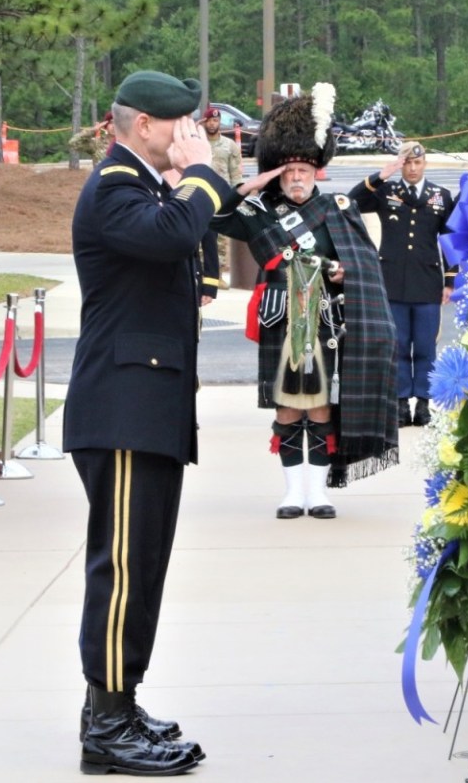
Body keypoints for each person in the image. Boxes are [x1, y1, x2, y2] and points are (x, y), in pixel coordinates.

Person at [64, 70, 234, 776]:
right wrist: (201, 175)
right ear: (142, 127)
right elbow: (169, 236)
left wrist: (222, 189)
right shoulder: (113, 187)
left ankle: (118, 704)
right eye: (180, 126)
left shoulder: (143, 183)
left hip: (146, 406)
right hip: (123, 409)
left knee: (146, 567)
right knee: (125, 571)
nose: (190, 137)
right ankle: (106, 728)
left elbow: (184, 231)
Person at [211, 85, 399, 520]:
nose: (297, 179)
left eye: (304, 171)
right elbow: (215, 217)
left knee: (318, 406)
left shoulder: (337, 207)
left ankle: (318, 493)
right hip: (282, 320)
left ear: (318, 172)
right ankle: (292, 493)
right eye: (289, 171)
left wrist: (342, 272)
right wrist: (253, 184)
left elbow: (364, 263)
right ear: (279, 172)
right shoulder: (261, 211)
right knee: (286, 408)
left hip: (325, 321)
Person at [348, 141, 456, 427]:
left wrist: (450, 281)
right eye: (407, 163)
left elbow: (450, 242)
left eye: (417, 163)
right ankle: (398, 404)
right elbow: (352, 201)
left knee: (425, 346)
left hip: (427, 282)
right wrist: (382, 175)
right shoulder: (386, 192)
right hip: (393, 281)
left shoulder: (440, 196)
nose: (412, 168)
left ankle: (423, 402)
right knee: (396, 345)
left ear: (425, 165)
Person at [199, 106, 242, 303]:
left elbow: (235, 172)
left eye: (216, 121)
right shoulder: (197, 143)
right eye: (210, 121)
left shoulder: (229, 145)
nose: (213, 124)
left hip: (222, 195)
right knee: (201, 235)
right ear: (205, 122)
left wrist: (238, 195)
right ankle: (204, 273)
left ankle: (218, 276)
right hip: (201, 193)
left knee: (220, 238)